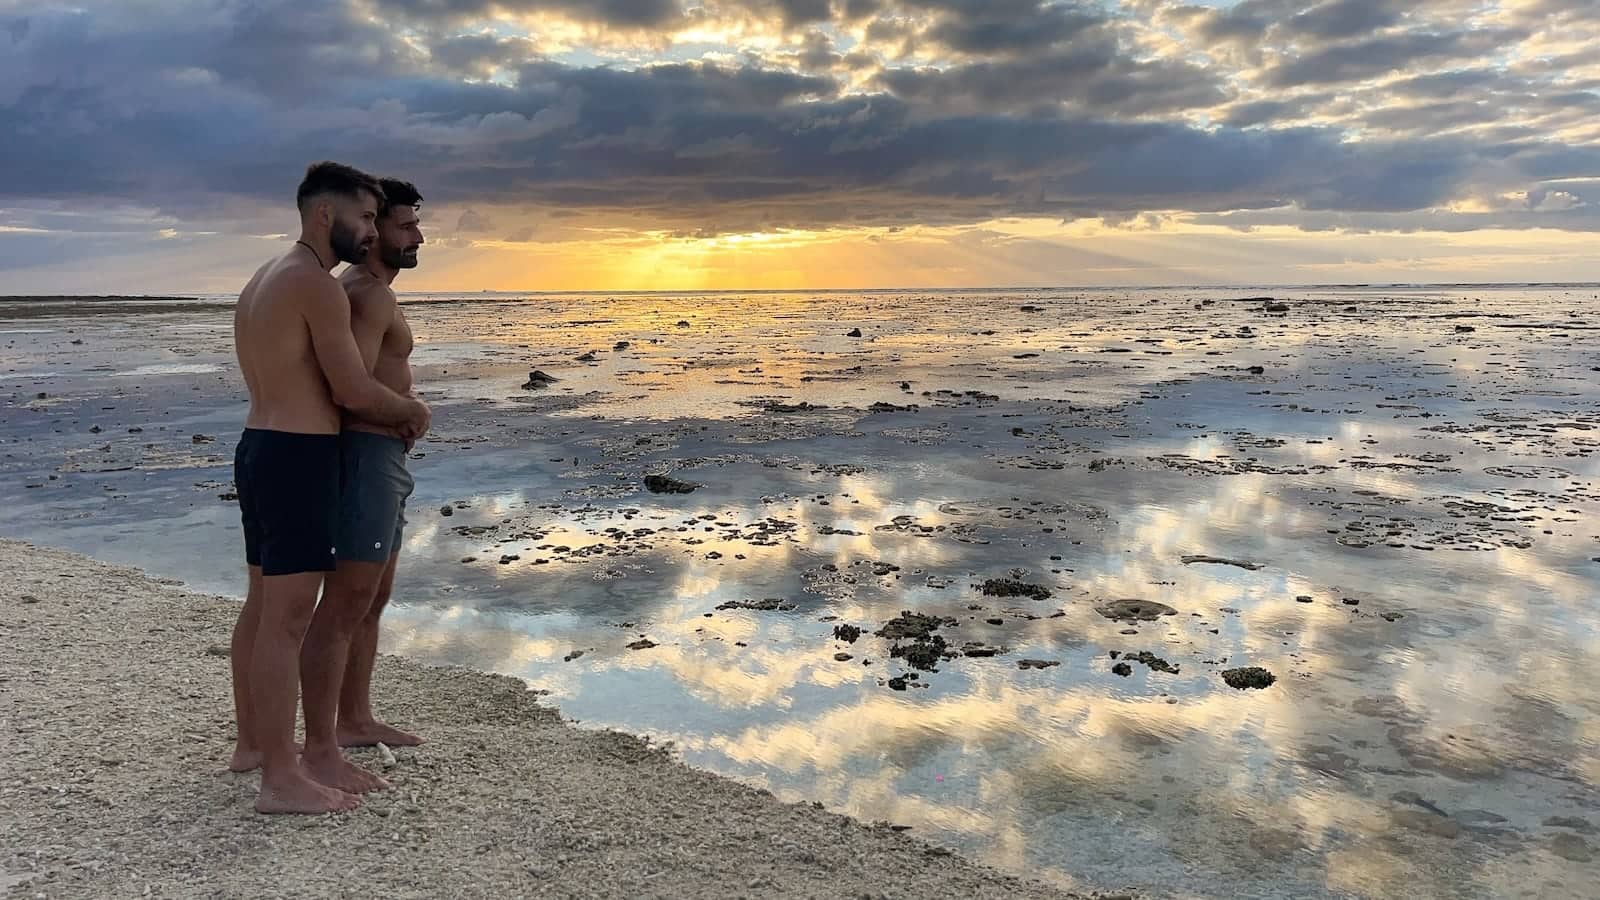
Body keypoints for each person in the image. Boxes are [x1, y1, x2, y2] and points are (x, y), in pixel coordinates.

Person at [229, 161, 431, 814]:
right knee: (288, 619)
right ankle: (286, 775)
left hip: (259, 444)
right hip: (297, 454)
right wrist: (410, 412)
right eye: (365, 217)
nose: (369, 232)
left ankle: (257, 748)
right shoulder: (314, 282)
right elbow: (349, 387)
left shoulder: (266, 277)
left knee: (265, 609)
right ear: (326, 215)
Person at [300, 178, 426, 767]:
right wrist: (409, 411)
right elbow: (349, 388)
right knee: (347, 600)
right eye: (403, 225)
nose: (415, 236)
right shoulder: (367, 294)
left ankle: (355, 716)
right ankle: (324, 739)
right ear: (374, 233)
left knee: (374, 597)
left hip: (385, 458)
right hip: (367, 459)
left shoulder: (373, 290)